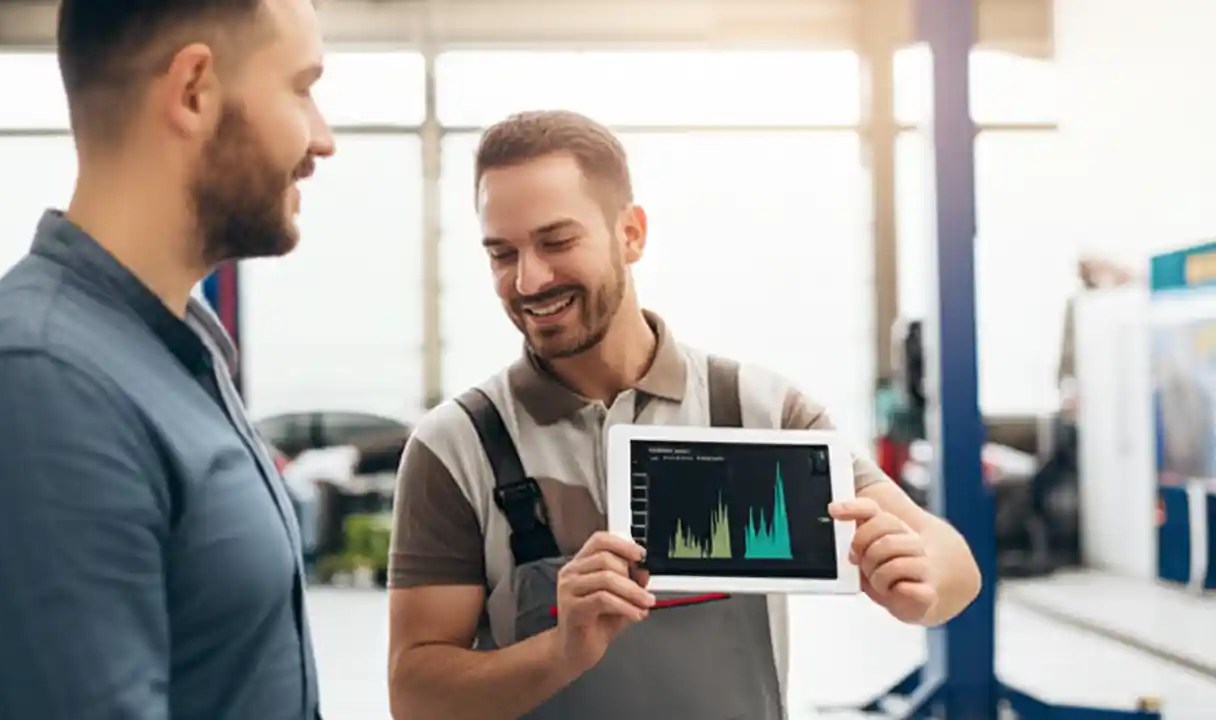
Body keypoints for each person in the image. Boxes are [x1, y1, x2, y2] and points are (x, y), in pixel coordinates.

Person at [386, 110, 983, 719]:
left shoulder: (757, 411)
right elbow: (414, 696)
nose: (529, 278)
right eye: (501, 253)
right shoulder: (456, 447)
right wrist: (560, 652)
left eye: (556, 242)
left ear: (631, 234)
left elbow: (955, 562)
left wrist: (920, 582)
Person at [0, 1, 335, 718]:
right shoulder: (38, 382)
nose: (323, 138)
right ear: (194, 91)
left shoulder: (174, 341)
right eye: (301, 88)